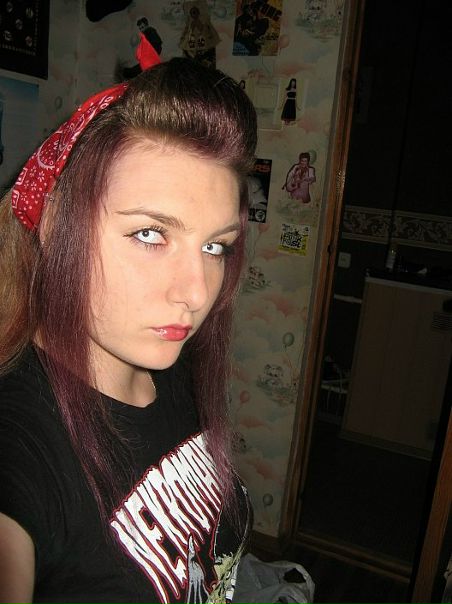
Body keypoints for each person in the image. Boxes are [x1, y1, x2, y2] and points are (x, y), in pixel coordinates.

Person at [0, 57, 257, 603]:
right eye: (149, 234)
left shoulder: (172, 365)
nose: (196, 293)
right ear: (55, 223)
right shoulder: (20, 444)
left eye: (215, 246)